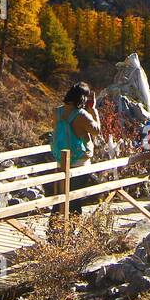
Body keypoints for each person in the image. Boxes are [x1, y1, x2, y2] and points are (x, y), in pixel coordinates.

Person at [51, 82, 101, 214]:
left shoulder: (57, 112)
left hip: (61, 160)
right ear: (84, 98)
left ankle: (54, 228)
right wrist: (93, 110)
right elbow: (97, 131)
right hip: (80, 161)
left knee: (60, 197)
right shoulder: (81, 115)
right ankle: (72, 230)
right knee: (75, 199)